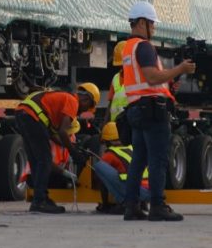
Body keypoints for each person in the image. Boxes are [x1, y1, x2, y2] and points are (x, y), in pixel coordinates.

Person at [121, 1, 196, 222]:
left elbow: (145, 80)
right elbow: (152, 77)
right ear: (142, 22)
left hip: (137, 109)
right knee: (158, 159)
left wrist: (169, 82)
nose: (154, 29)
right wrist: (180, 68)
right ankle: (157, 205)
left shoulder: (128, 48)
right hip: (152, 110)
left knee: (139, 160)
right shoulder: (144, 46)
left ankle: (131, 206)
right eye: (152, 24)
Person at [15, 84, 99, 214]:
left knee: (36, 159)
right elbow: (62, 132)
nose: (81, 113)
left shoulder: (60, 100)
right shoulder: (73, 101)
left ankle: (41, 198)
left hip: (23, 114)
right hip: (32, 117)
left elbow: (53, 135)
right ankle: (40, 202)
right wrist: (74, 153)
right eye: (86, 108)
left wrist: (71, 146)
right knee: (44, 159)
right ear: (86, 100)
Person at [93, 121, 149, 213]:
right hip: (148, 190)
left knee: (100, 170)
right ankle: (143, 204)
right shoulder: (132, 148)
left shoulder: (110, 154)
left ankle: (108, 205)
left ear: (106, 141)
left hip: (133, 191)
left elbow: (99, 178)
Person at [105, 41, 131, 145]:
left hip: (129, 126)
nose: (122, 67)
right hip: (115, 127)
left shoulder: (135, 79)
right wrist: (105, 124)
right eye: (121, 65)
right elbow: (110, 104)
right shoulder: (115, 78)